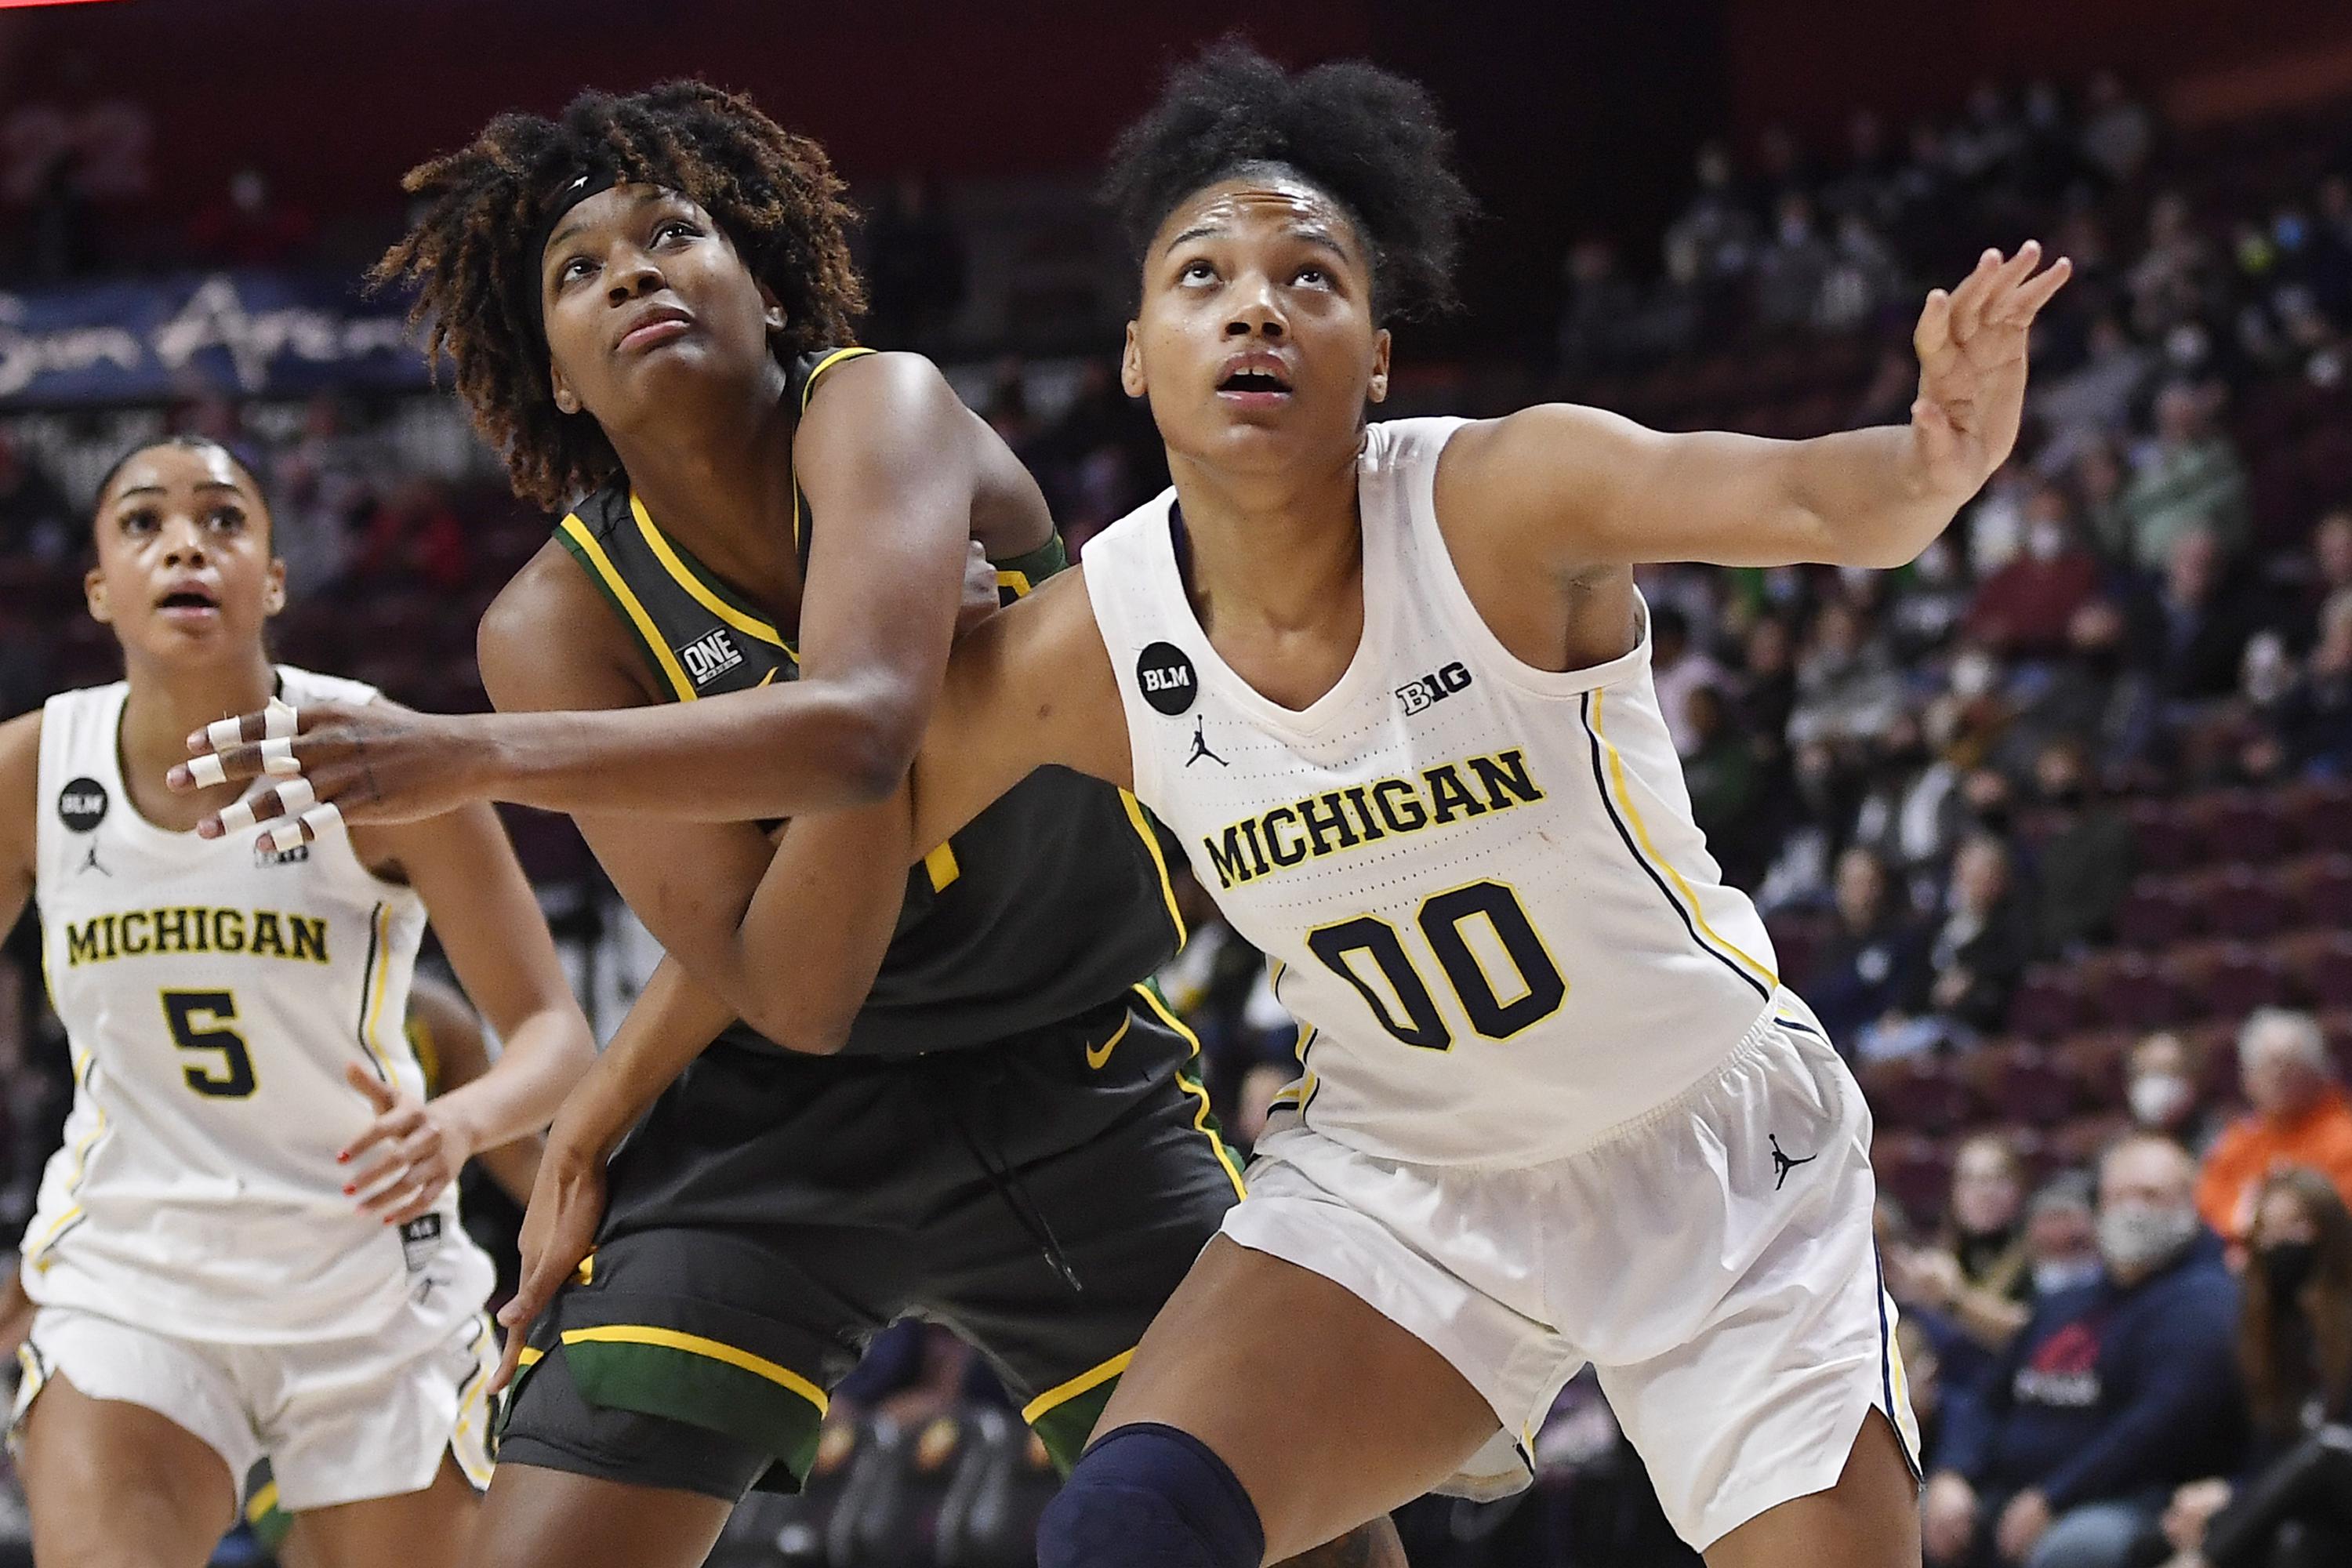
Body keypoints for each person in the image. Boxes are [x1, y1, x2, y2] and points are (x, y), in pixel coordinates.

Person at [183, 45, 2082, 1568]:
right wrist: (602, 1090)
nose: (1253, 311)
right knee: (1126, 1528)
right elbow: (813, 910)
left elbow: (1833, 507)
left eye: (1306, 280)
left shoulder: (1496, 497)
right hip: (1368, 1171)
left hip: (1644, 1142)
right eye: (1201, 280)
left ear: (1377, 350)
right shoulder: (1094, 636)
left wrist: (1936, 453)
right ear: (1134, 361)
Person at [220, 83, 1381, 1568]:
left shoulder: (879, 405)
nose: (631, 272)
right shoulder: (557, 622)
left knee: (1317, 1541)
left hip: (1071, 1069)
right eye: (577, 272)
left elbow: (857, 738)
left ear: (767, 288)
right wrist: (888, 709)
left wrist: (473, 756)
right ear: (557, 376)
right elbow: (794, 986)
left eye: (673, 235)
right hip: (772, 1124)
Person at [0, 437, 596, 1568]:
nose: (185, 540)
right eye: (142, 522)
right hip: (135, 1275)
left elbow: (554, 1035)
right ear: (98, 590)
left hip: (371, 1290)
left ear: (272, 577)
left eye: (224, 518)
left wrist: (459, 1126)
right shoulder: (35, 769)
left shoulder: (372, 751)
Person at [1923, 1135, 2244, 1568]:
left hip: (2132, 1497)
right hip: (2012, 1490)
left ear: (2189, 1202)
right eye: (2117, 1196)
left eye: (2150, 1195)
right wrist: (1952, 1474)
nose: (2132, 1210)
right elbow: (1989, 1396)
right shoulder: (2069, 1301)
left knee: (2075, 1550)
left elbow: (2154, 1428)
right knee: (1908, 1514)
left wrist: (2051, 1498)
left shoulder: (2206, 1301)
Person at [2158, 1167, 2352, 1568]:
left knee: (2329, 1449)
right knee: (2289, 1544)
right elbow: (2271, 1449)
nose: (2285, 1243)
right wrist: (2231, 1493)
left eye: (2300, 1224)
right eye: (2269, 1230)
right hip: (2315, 1508)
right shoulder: (2269, 1335)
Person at [2196, 1010, 2352, 1242]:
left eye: (2289, 1063)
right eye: (2264, 1065)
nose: (2277, 1075)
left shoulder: (2344, 1138)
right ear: (2247, 1078)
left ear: (2318, 1071)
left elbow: (2337, 1218)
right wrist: (2246, 1222)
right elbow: (2208, 1205)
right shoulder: (2238, 1139)